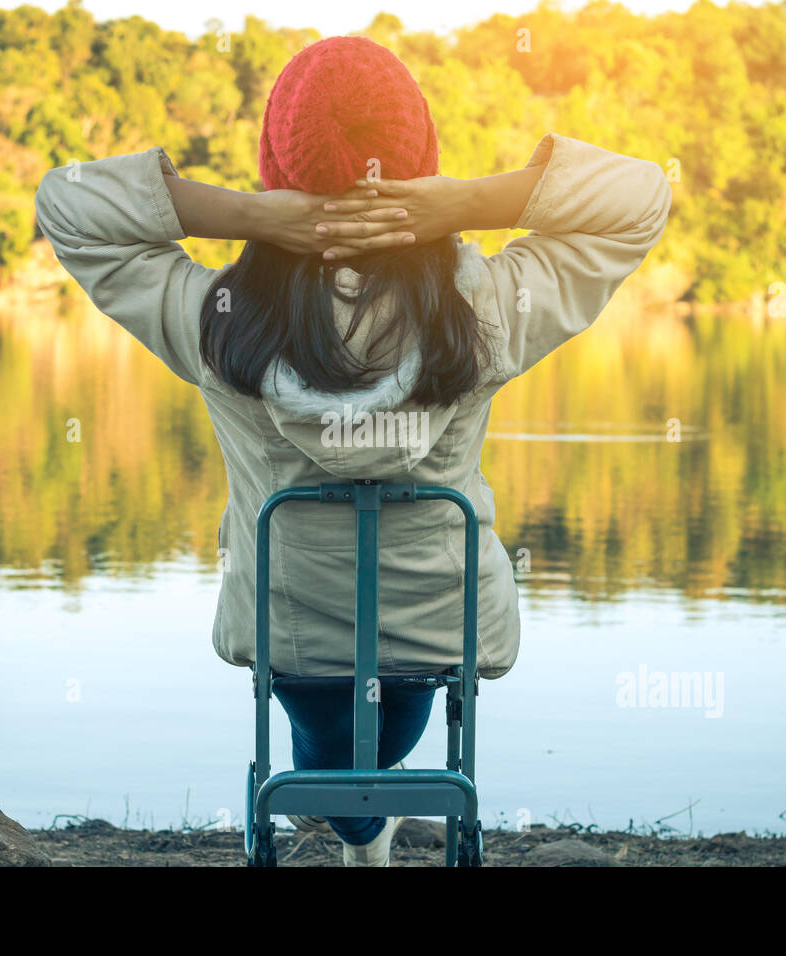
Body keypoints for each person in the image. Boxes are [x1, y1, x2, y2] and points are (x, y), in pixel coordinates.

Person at [36, 35, 671, 866]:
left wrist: (255, 214)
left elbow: (65, 202)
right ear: (418, 163)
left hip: (291, 646)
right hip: (437, 639)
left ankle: (357, 829)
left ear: (276, 167)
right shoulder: (483, 312)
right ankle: (366, 826)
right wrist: (463, 203)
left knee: (325, 742)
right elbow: (643, 194)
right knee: (372, 737)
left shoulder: (219, 320)